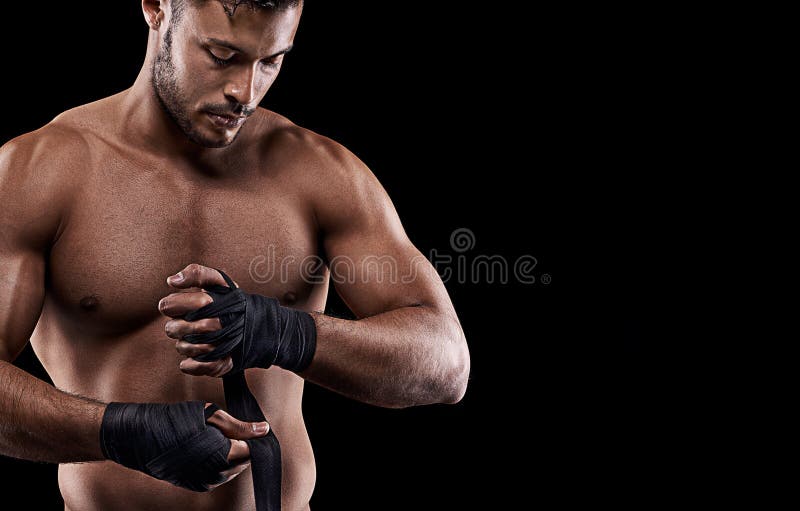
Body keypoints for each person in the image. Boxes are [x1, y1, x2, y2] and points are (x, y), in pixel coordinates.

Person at [0, 1, 470, 510]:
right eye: (222, 55)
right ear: (158, 8)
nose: (245, 93)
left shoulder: (318, 172)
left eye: (271, 61)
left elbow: (445, 363)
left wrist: (284, 332)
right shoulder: (40, 172)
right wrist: (120, 432)